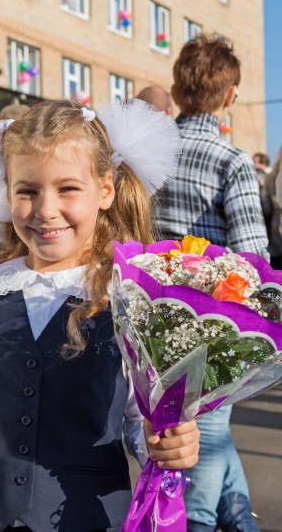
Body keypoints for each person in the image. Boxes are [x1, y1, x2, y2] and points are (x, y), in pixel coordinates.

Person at [0, 100, 199, 532]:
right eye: (28, 191)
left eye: (67, 189)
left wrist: (169, 443)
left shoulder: (128, 296)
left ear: (105, 190)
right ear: (6, 192)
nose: (46, 209)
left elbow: (138, 423)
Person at [154, 34, 264, 532]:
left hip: (151, 319)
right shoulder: (232, 160)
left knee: (204, 434)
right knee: (209, 434)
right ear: (229, 96)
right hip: (211, 319)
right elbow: (253, 258)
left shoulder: (146, 152)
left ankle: (241, 522)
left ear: (176, 92)